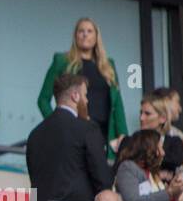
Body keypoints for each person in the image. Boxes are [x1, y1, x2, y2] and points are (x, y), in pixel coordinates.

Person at [26, 73, 114, 201]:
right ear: (75, 96)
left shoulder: (35, 134)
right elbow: (102, 179)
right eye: (85, 95)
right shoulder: (87, 129)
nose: (87, 101)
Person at [38, 18, 127, 149]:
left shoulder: (108, 65)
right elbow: (43, 100)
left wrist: (122, 134)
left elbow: (117, 102)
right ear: (75, 36)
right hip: (73, 132)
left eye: (89, 31)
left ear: (97, 36)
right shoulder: (62, 61)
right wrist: (57, 125)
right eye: (81, 31)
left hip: (104, 136)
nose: (85, 34)